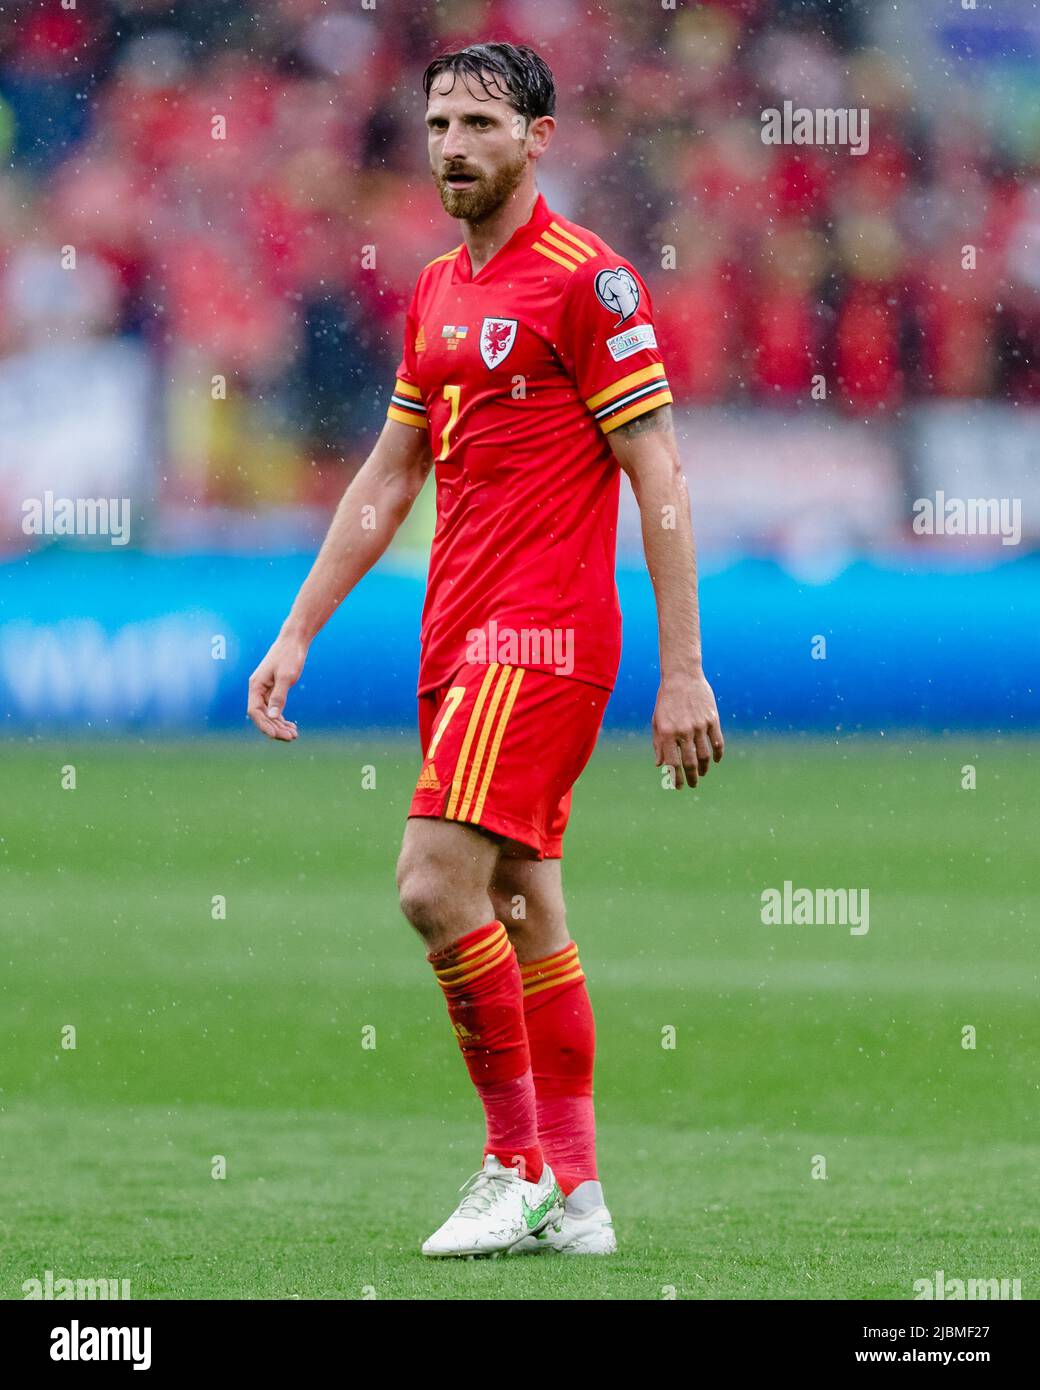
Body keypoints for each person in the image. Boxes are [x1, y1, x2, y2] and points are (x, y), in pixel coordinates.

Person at [247, 42, 724, 1259]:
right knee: (521, 902)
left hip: (544, 631)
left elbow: (655, 469)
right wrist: (299, 627)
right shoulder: (436, 290)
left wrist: (682, 666)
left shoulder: (587, 282)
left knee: (428, 882)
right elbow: (390, 473)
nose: (453, 145)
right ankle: (578, 1194)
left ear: (538, 138)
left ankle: (512, 1164)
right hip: (456, 634)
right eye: (437, 123)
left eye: (479, 123)